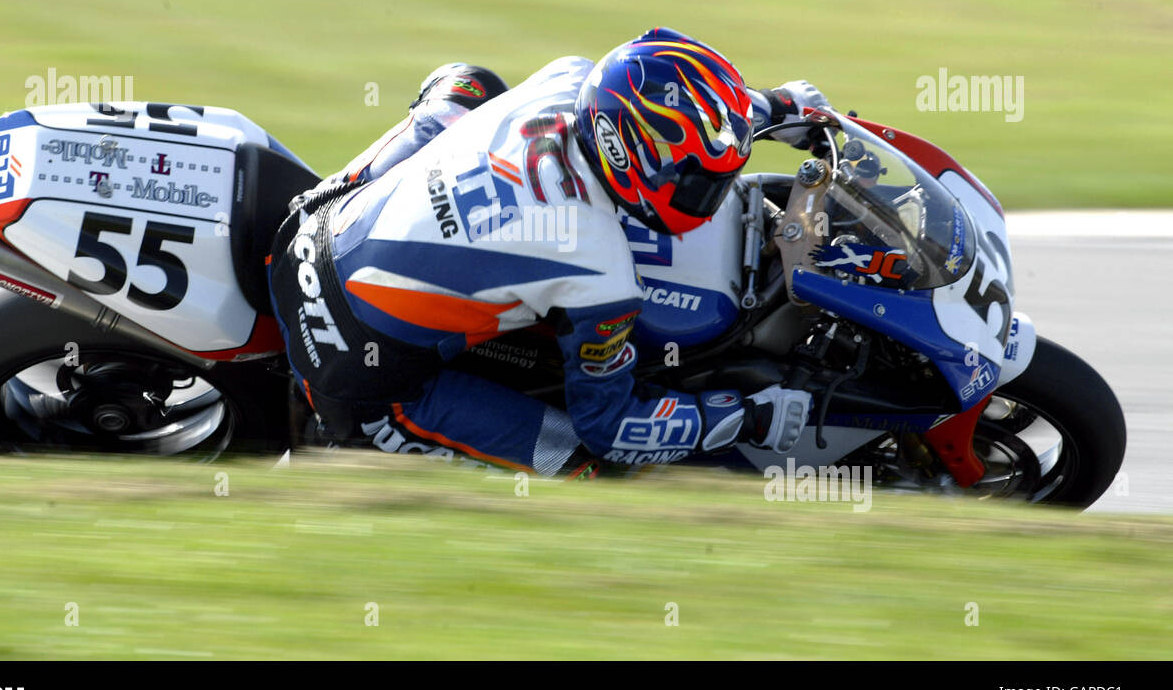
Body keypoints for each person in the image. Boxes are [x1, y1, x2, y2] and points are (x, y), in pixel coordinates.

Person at [268, 28, 836, 476]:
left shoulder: (570, 79)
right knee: (591, 467)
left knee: (469, 86)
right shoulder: (597, 265)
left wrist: (768, 107)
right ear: (625, 151)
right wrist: (745, 415)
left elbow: (669, 106)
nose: (702, 189)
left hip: (311, 224)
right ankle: (336, 435)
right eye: (690, 175)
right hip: (354, 376)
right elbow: (612, 426)